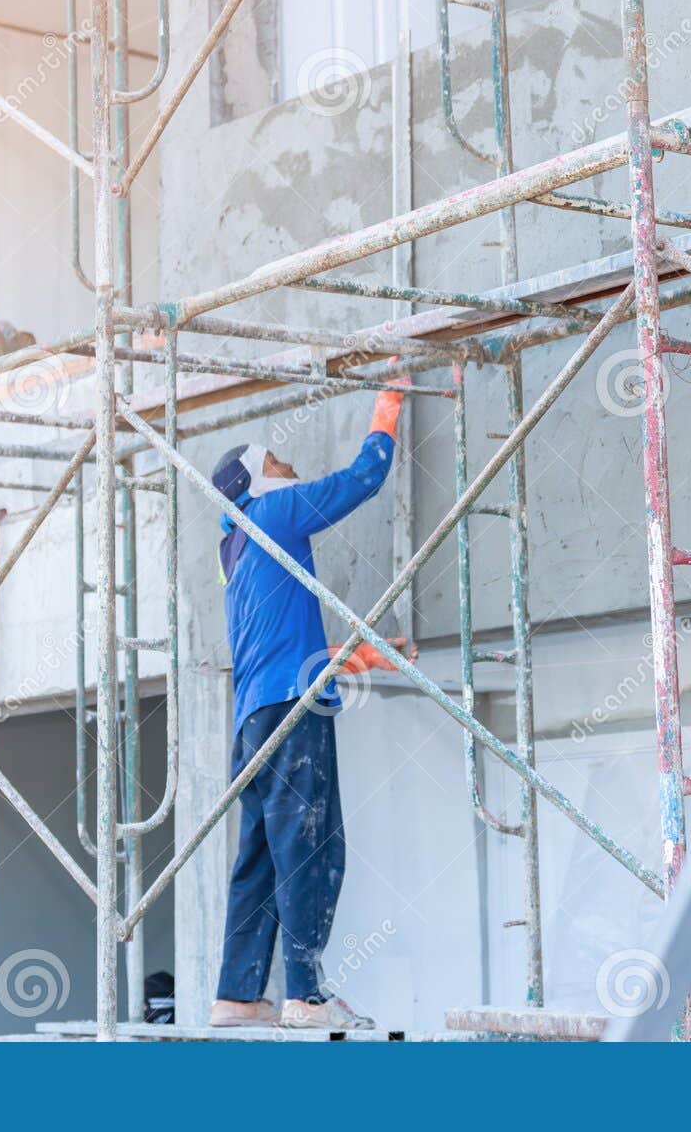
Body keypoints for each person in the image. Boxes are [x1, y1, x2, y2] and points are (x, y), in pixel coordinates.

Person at [206, 380, 412, 1031]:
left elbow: (281, 645)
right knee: (310, 846)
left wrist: (356, 660)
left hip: (255, 718)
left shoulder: (236, 546)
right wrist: (388, 409)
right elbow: (361, 481)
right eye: (277, 461)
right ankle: (304, 995)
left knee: (262, 854)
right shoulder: (277, 512)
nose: (289, 465)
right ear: (257, 480)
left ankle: (237, 995)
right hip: (291, 712)